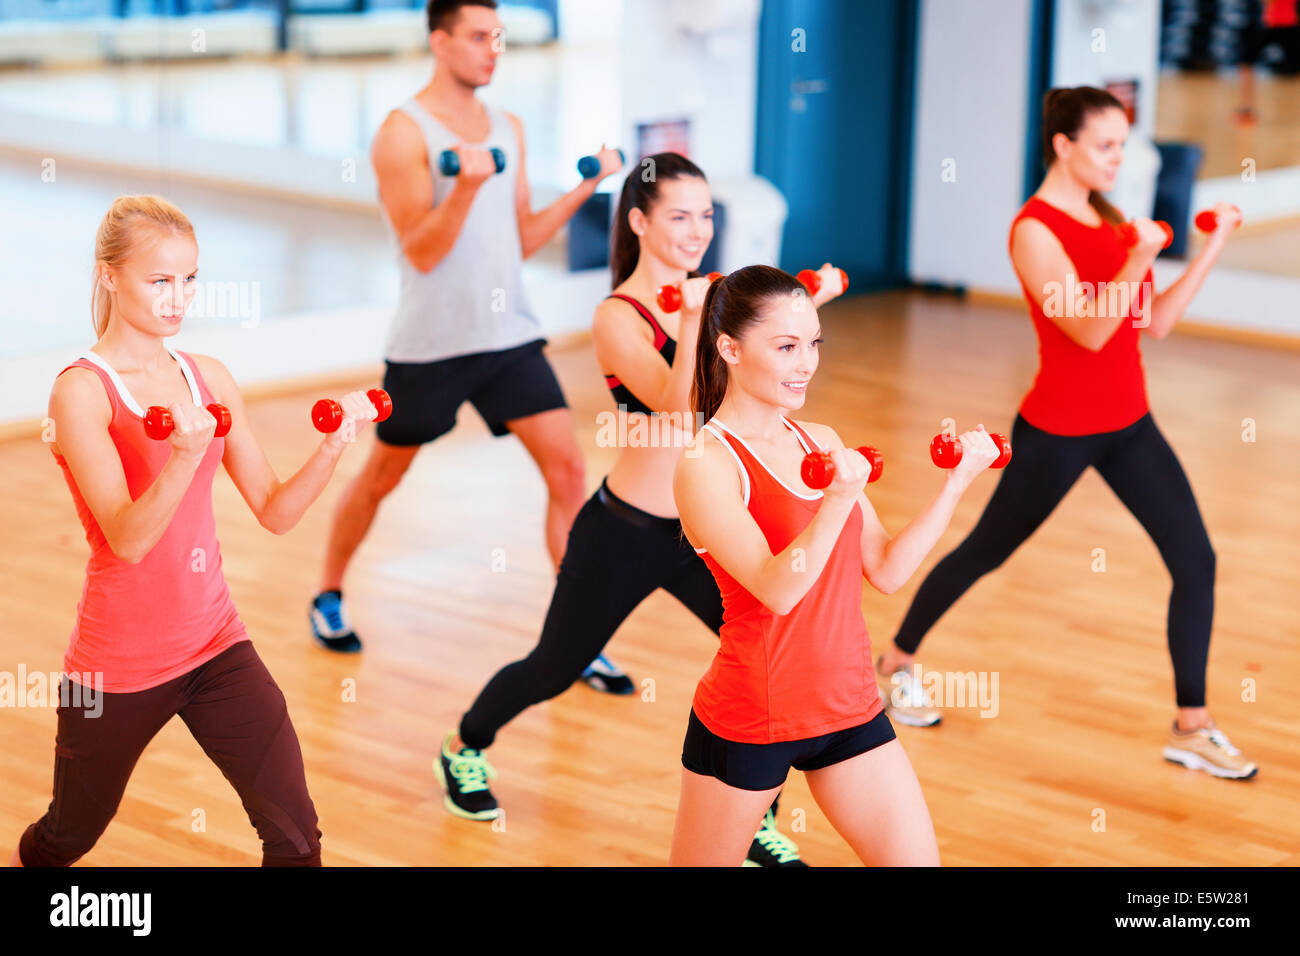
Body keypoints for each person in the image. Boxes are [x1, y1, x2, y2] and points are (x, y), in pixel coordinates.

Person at [434, 154, 849, 865]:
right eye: (679, 217)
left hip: (708, 528)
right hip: (626, 530)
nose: (697, 232)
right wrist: (692, 317)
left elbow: (760, 353)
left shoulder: (713, 298)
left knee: (764, 660)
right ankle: (464, 745)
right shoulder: (617, 316)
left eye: (707, 216)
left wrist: (810, 301)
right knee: (554, 666)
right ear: (638, 222)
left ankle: (754, 821)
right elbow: (680, 407)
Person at [877, 86, 1257, 780]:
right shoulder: (1034, 230)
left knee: (1195, 559)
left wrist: (1211, 246)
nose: (1120, 157)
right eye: (1106, 144)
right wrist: (1138, 256)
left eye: (1123, 143)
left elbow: (1156, 323)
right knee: (987, 549)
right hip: (1058, 428)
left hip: (1130, 422)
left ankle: (1191, 728)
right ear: (1064, 145)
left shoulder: (1111, 218)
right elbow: (1085, 329)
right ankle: (895, 662)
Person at [12, 195, 379, 867]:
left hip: (216, 645)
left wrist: (333, 446)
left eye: (188, 280)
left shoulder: (206, 377)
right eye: (159, 280)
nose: (177, 298)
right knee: (68, 838)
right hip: (116, 669)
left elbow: (274, 508)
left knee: (297, 842)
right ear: (108, 276)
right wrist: (183, 456)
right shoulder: (82, 393)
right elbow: (126, 537)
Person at [309, 0, 627, 695]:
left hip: (508, 335)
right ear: (440, 40)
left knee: (569, 471)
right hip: (432, 348)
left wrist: (586, 185)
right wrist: (466, 187)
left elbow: (521, 239)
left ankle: (576, 638)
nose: (493, 50)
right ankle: (328, 592)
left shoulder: (506, 127)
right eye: (479, 37)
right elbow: (421, 251)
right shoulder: (402, 134)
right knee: (383, 477)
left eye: (499, 38)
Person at [669, 264, 1002, 866]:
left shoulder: (817, 438)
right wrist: (838, 500)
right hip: (752, 716)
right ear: (730, 348)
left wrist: (956, 484)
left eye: (814, 343)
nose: (806, 363)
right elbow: (779, 590)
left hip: (848, 707)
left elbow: (886, 569)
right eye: (787, 346)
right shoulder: (705, 464)